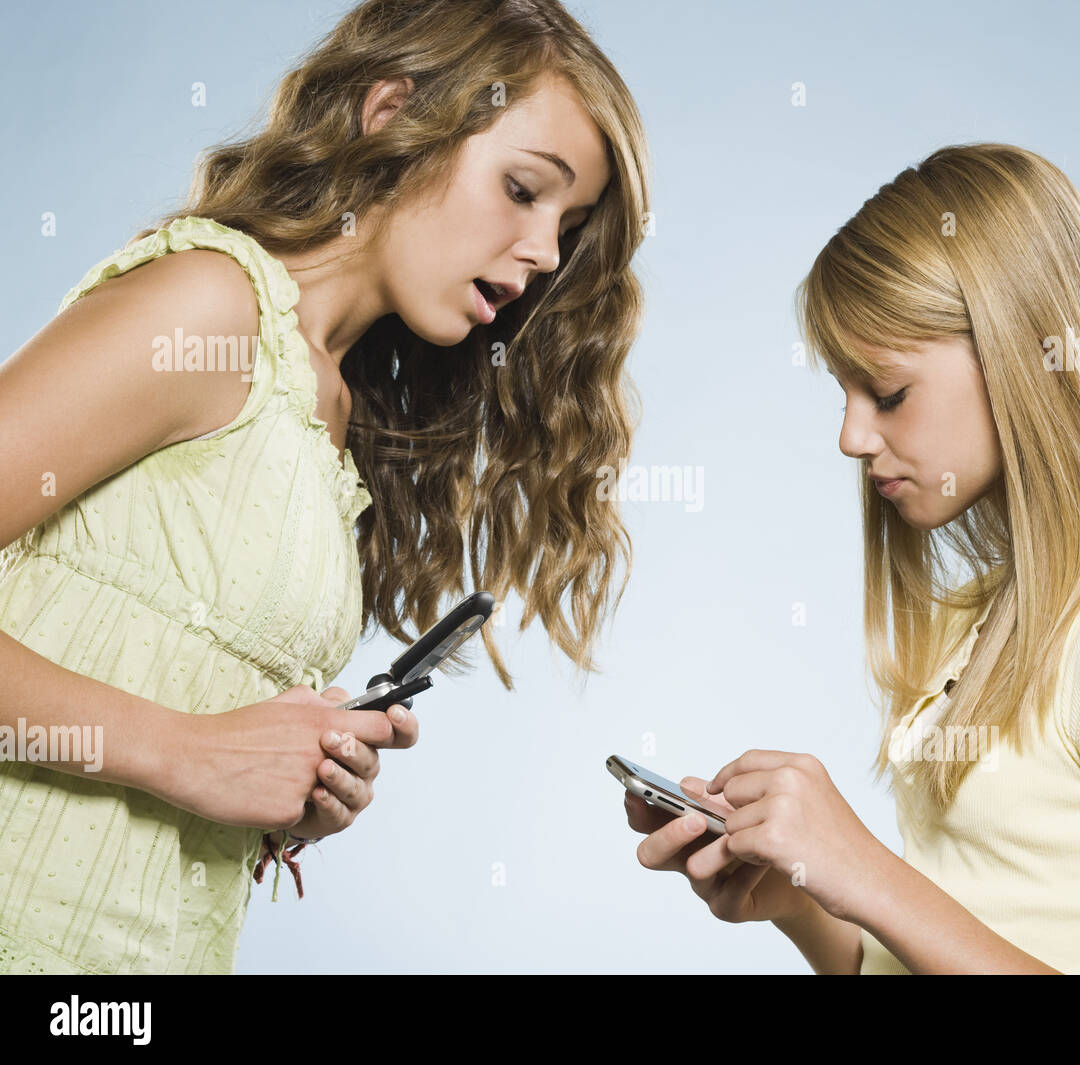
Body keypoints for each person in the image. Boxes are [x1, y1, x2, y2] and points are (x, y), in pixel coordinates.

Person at [0, 0, 649, 974]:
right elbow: (176, 744)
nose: (547, 252)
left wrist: (287, 783)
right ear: (388, 111)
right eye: (523, 189)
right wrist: (182, 751)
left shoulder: (330, 409)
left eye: (568, 223)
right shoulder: (210, 305)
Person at [625, 142, 1080, 975]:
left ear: (1022, 357)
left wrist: (866, 873)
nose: (851, 437)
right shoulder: (991, 618)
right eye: (845, 395)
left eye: (888, 393)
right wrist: (803, 901)